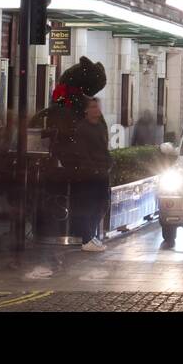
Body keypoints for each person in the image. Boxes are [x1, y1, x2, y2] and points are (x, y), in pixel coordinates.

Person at [71, 98, 112, 251]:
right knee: (88, 205)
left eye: (98, 107)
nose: (96, 110)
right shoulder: (82, 128)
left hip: (102, 172)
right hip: (89, 174)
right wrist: (93, 168)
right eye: (93, 107)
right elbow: (82, 152)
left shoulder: (101, 126)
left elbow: (103, 147)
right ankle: (86, 238)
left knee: (102, 204)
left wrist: (108, 162)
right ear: (86, 110)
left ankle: (91, 235)